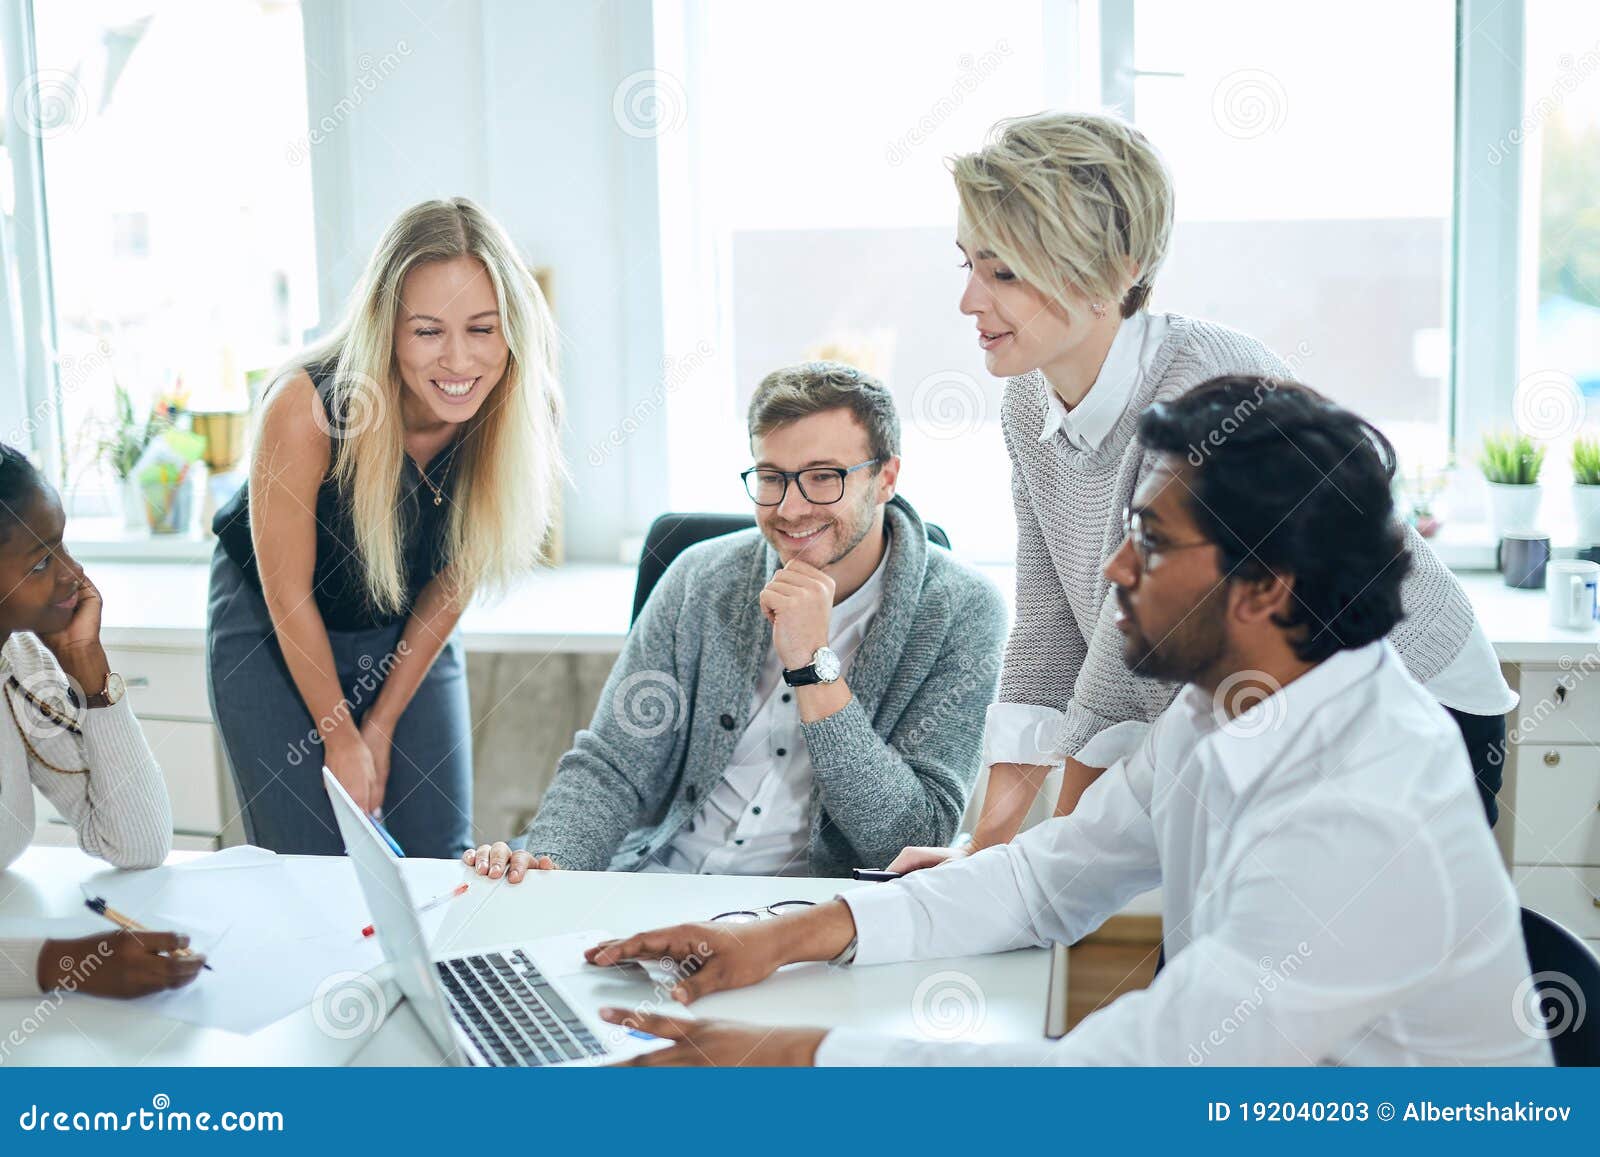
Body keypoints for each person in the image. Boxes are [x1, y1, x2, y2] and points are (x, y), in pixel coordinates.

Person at [578, 380, 1549, 1067]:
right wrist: (786, 934)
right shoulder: (1226, 704)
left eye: (1151, 542)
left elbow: (1119, 1086)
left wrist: (794, 1054)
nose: (1115, 568)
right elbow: (1047, 878)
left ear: (1263, 586)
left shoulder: (1366, 810)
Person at [893, 112, 1511, 874]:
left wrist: (1014, 875)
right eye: (969, 264)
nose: (969, 301)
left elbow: (1123, 662)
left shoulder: (1204, 391)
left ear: (1112, 274)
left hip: (1412, 701)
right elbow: (1047, 628)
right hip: (1264, 706)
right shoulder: (1028, 401)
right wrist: (986, 851)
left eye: (1004, 273)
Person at [463, 362, 1006, 880]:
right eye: (771, 478)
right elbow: (612, 765)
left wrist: (812, 667)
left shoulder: (963, 610)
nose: (790, 508)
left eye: (823, 477)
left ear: (886, 478)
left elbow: (910, 839)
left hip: (809, 912)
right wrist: (551, 870)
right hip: (659, 878)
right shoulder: (700, 578)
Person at [207, 198, 563, 858]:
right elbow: (288, 594)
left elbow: (454, 581)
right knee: (312, 865)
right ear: (387, 328)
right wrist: (341, 736)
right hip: (274, 623)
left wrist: (381, 723)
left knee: (437, 857)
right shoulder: (308, 407)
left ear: (511, 329)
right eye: (428, 331)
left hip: (402, 625)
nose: (458, 361)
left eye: (482, 329)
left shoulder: (519, 408)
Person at [0, 444, 206, 1000]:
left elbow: (137, 844)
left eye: (62, 544)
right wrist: (63, 964)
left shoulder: (21, 663)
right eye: (40, 563)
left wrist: (91, 675)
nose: (73, 573)